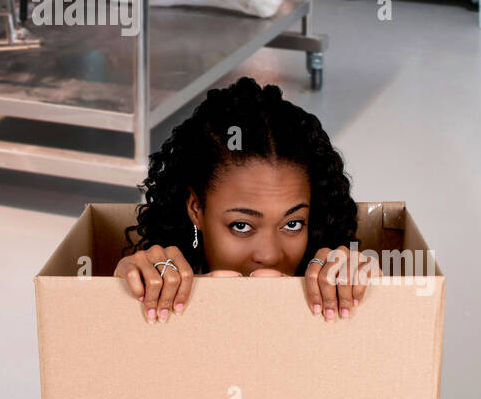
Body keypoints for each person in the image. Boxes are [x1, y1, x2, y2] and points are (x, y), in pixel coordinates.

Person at [115, 76, 376, 324]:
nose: (270, 255)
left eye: (293, 224)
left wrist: (375, 291)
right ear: (196, 209)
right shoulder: (160, 278)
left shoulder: (330, 275)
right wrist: (117, 291)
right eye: (241, 225)